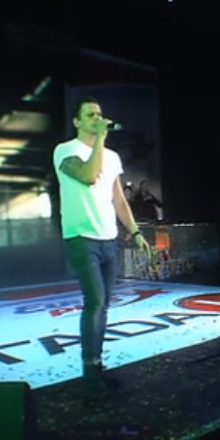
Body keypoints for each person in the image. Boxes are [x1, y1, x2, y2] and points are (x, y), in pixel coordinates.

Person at [53, 96, 151, 393]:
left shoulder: (111, 156)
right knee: (95, 302)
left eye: (99, 114)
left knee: (104, 304)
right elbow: (88, 175)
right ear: (77, 121)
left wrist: (135, 232)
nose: (97, 119)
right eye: (90, 115)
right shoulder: (65, 150)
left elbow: (118, 199)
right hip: (81, 238)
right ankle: (90, 374)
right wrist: (99, 141)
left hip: (109, 238)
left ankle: (97, 365)